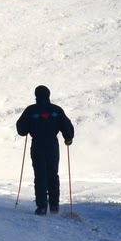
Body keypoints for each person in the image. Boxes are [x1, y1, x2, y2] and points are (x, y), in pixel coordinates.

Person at [16, 85, 75, 215]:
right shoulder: (57, 110)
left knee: (40, 175)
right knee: (53, 174)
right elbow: (67, 126)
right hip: (52, 145)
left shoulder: (31, 110)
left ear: (36, 95)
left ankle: (42, 207)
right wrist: (68, 139)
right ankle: (54, 205)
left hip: (37, 145)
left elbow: (21, 130)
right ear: (49, 95)